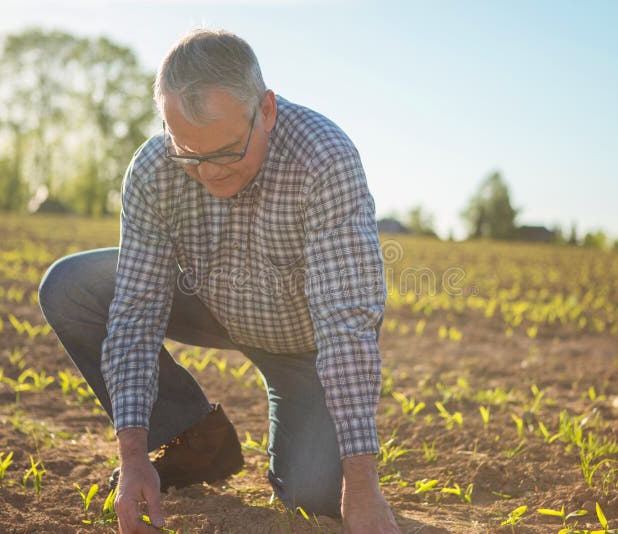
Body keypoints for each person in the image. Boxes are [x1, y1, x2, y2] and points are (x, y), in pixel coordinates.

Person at [38, 28, 399, 534]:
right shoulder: (154, 168)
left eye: (228, 152)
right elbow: (137, 311)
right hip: (212, 300)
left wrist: (362, 483)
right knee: (73, 287)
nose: (209, 173)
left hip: (306, 341)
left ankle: (311, 444)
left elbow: (345, 321)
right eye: (190, 154)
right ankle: (192, 435)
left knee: (315, 494)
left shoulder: (323, 157)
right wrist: (135, 452)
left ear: (267, 111)